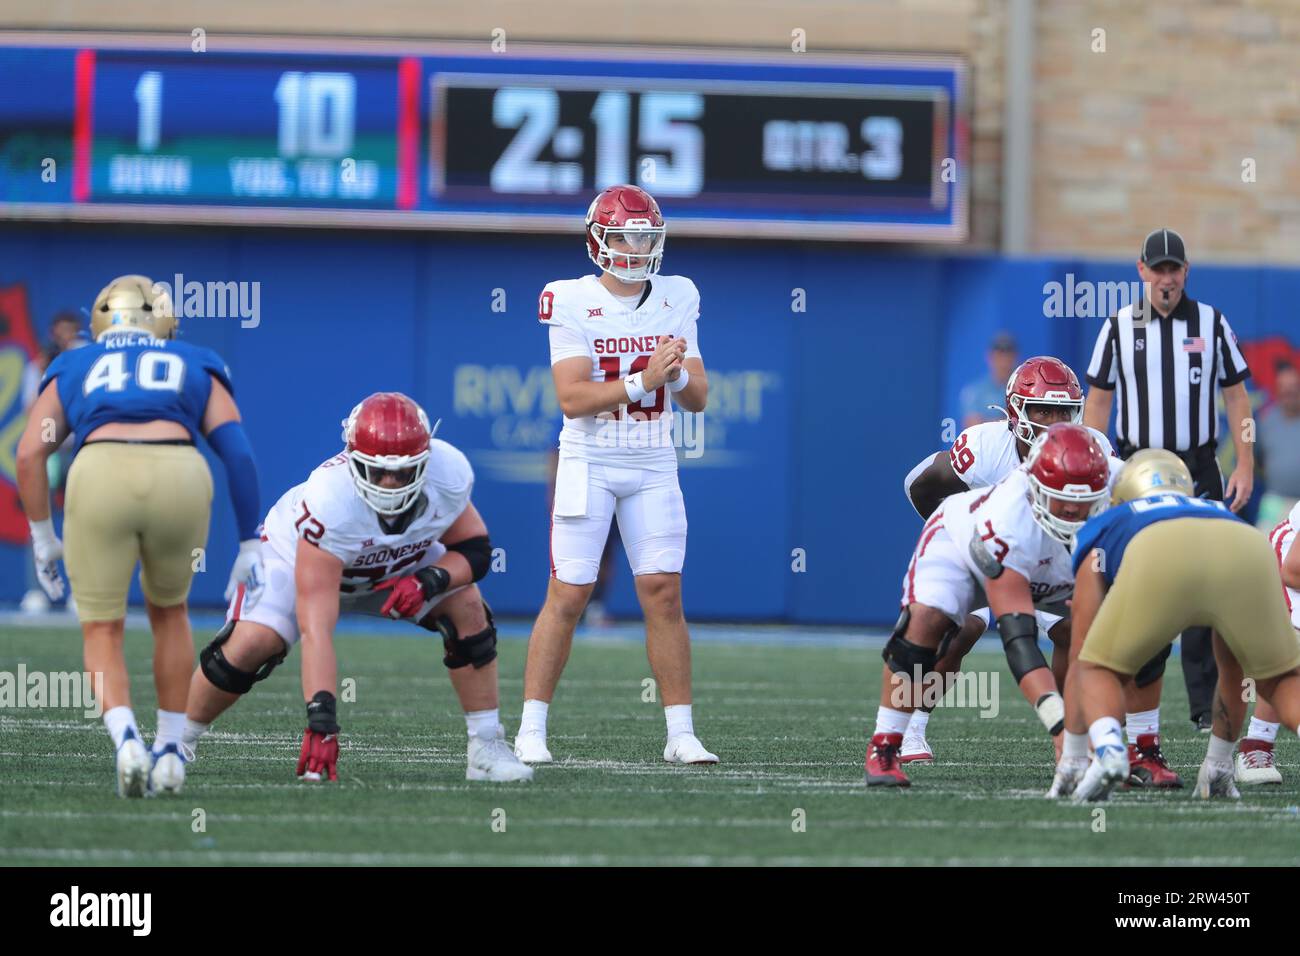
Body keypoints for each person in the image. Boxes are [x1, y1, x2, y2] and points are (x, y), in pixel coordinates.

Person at [182, 392, 533, 783]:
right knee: (252, 644)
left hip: (397, 564)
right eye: (377, 471)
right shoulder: (331, 499)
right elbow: (317, 628)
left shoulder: (446, 474)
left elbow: (474, 549)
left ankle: (485, 745)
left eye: (402, 472)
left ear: (425, 460)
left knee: (467, 605)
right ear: (352, 458)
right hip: (294, 560)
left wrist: (431, 579)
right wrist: (321, 719)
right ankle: (177, 741)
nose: (389, 482)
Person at [15, 275, 263, 797]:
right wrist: (248, 543)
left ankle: (127, 738)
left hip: (99, 471)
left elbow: (30, 452)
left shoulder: (74, 362)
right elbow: (237, 453)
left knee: (101, 628)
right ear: (161, 322)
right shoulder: (195, 359)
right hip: (179, 471)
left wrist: (43, 536)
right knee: (169, 613)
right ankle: (170, 750)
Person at [900, 357, 1182, 780]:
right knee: (956, 630)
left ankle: (1073, 736)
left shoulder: (1094, 449)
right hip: (985, 550)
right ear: (1016, 411)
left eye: (1063, 412)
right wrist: (952, 541)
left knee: (1075, 631)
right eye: (1041, 411)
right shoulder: (982, 447)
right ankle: (911, 728)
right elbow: (921, 484)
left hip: (1049, 555)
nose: (1052, 423)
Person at [515, 183, 715, 765]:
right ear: (597, 240)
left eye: (646, 237)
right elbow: (572, 398)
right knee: (568, 593)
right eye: (627, 236)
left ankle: (681, 734)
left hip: (653, 459)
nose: (637, 248)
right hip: (590, 458)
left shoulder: (678, 295)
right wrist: (645, 379)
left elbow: (699, 397)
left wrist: (673, 376)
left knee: (664, 593)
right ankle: (531, 728)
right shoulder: (571, 299)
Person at [867, 423, 1111, 788]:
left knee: (1086, 634)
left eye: (1083, 502)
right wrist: (1057, 725)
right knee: (924, 627)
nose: (1071, 512)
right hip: (963, 547)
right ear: (1035, 489)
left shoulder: (1113, 472)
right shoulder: (1008, 518)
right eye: (1060, 499)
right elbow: (1019, 641)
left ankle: (1132, 748)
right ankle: (885, 743)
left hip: (1052, 558)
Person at [1083, 227, 1254, 732]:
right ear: (1141, 271)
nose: (1165, 278)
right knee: (1134, 575)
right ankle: (1127, 695)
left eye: (1173, 268)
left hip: (1198, 465)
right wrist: (1098, 467)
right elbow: (1098, 400)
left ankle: (1204, 707)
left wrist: (1245, 463)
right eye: (1156, 268)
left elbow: (1237, 396)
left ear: (1186, 271)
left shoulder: (1211, 322)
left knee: (1204, 580)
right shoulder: (1117, 326)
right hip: (1138, 468)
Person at [1062, 450, 1300, 802]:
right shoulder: (1211, 507)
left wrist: (1072, 754)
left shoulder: (1113, 520)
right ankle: (1219, 767)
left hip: (1161, 551)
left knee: (1096, 665)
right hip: (1246, 544)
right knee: (1271, 677)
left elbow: (1081, 649)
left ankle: (1111, 751)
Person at [19, 312, 86, 614]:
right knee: (36, 518)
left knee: (84, 519)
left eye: (71, 331)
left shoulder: (88, 358)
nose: (66, 337)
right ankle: (36, 590)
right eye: (61, 331)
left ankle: (81, 590)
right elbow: (31, 411)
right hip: (47, 451)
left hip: (79, 449)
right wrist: (47, 373)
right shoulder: (40, 363)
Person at [1257, 360, 1300, 527]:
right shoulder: (1263, 420)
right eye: (1284, 386)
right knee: (1266, 551)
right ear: (1277, 390)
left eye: (1294, 386)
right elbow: (1255, 457)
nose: (1289, 391)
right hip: (1274, 502)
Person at [959, 332, 1019, 429]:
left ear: (1015, 357)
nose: (1003, 361)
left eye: (1008, 355)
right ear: (989, 357)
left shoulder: (1022, 389)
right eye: (999, 355)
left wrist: (987, 421)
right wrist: (1007, 421)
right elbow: (972, 427)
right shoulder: (974, 391)